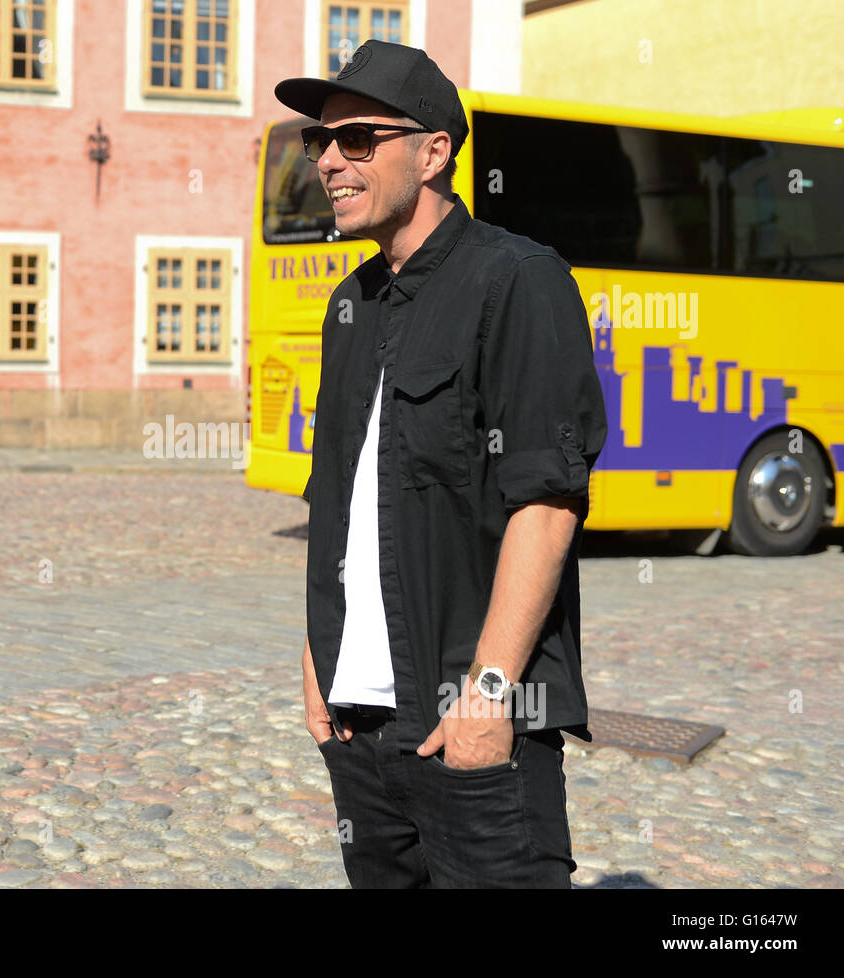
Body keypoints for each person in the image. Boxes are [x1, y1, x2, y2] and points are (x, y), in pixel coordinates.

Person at [275, 41, 607, 888]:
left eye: (358, 140)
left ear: (433, 152)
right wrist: (318, 663)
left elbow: (549, 500)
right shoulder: (349, 305)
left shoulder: (519, 280)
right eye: (320, 142)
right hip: (359, 732)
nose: (329, 162)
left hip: (467, 732)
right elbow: (341, 502)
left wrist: (490, 692)